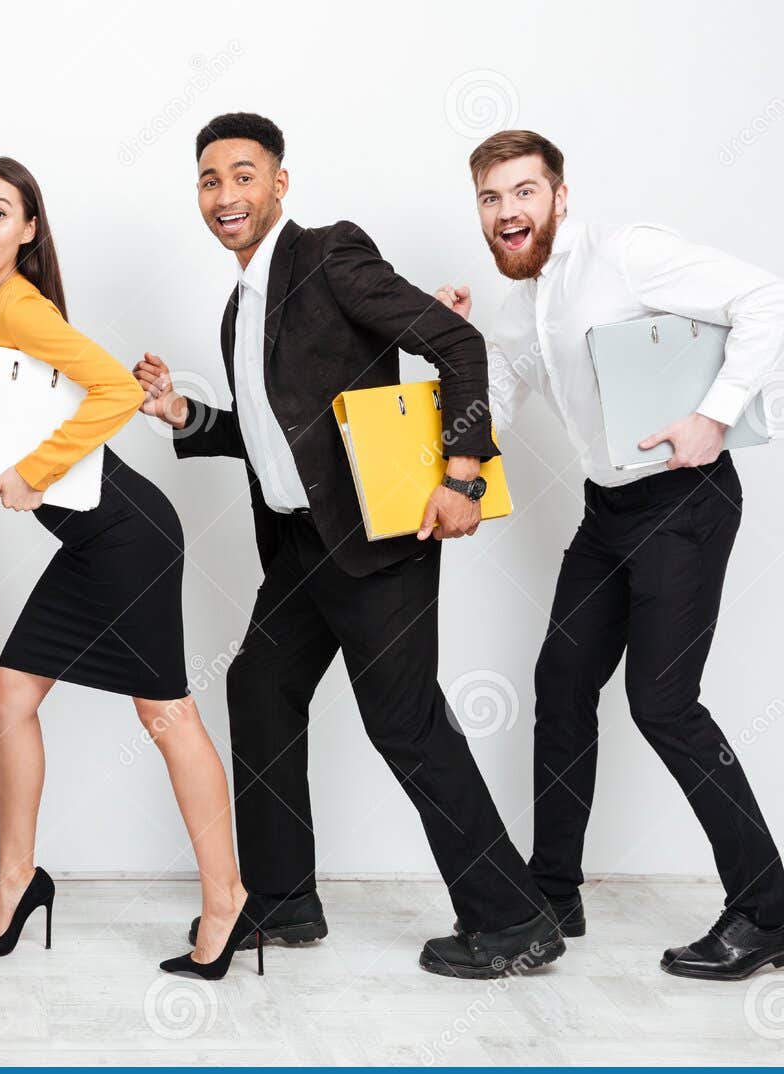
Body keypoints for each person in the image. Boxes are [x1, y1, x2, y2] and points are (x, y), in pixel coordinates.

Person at [137, 111, 563, 978]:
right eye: (212, 180)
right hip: (300, 547)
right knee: (259, 685)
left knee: (404, 723)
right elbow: (276, 433)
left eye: (245, 175)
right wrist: (188, 416)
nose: (228, 195)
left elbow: (458, 343)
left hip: (380, 540)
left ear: (279, 184)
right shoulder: (238, 307)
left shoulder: (328, 255)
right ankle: (285, 902)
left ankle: (513, 919)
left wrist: (464, 471)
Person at [0, 156, 260, 979]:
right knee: (7, 693)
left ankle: (229, 902)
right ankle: (16, 883)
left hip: (132, 539)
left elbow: (110, 388)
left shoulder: (23, 309)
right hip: (89, 543)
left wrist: (36, 470)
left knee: (167, 715)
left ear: (29, 229)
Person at [434, 129, 784, 980]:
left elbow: (772, 298)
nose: (507, 213)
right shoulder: (517, 306)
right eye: (491, 200)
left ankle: (767, 912)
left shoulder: (627, 256)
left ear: (560, 196)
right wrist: (450, 338)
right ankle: (552, 895)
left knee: (664, 704)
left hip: (684, 502)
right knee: (561, 686)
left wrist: (714, 413)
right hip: (609, 512)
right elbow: (489, 410)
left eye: (523, 193)